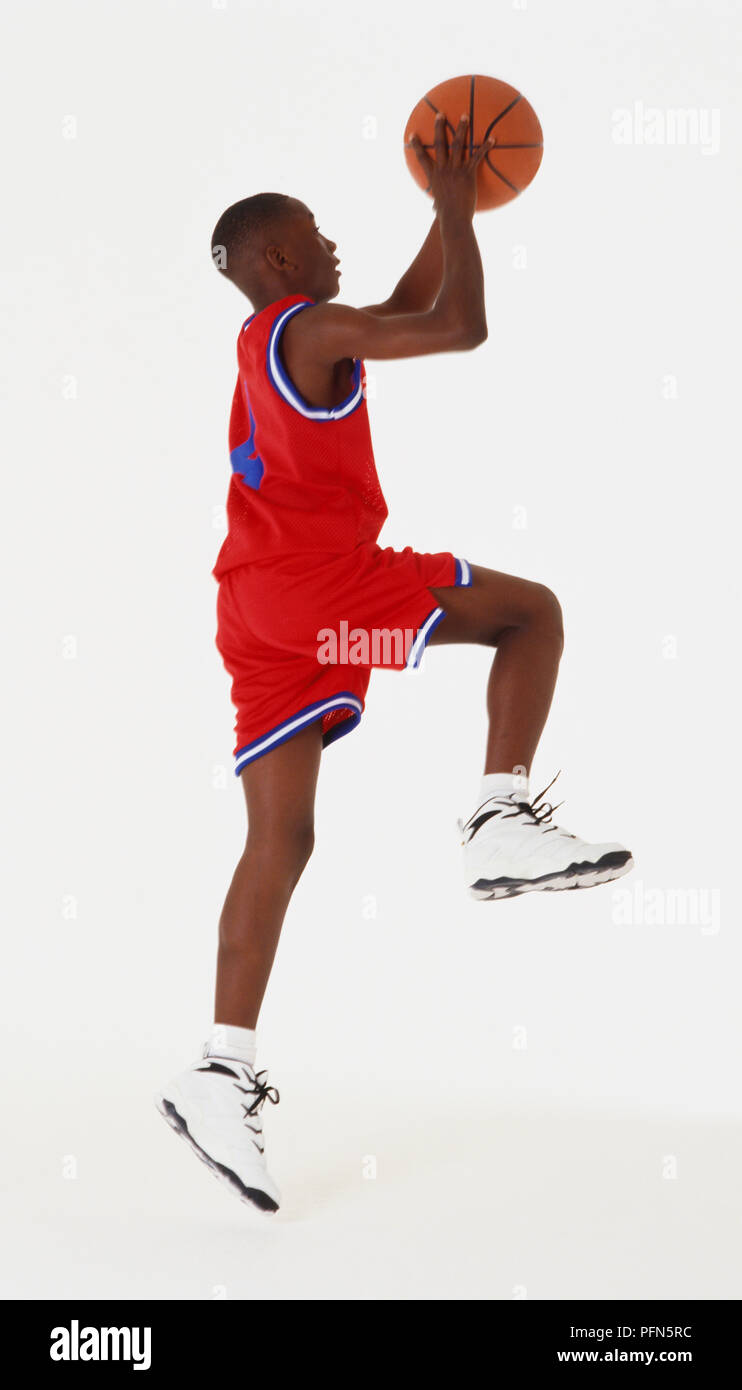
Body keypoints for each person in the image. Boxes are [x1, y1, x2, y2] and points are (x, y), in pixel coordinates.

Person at [155, 114, 633, 1214]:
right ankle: (498, 817)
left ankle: (219, 1068)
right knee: (529, 616)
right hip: (325, 593)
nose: (331, 246)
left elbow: (407, 314)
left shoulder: (292, 337)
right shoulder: (307, 322)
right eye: (315, 235)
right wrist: (463, 205)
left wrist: (443, 208)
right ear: (278, 258)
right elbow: (457, 327)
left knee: (282, 837)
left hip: (268, 620)